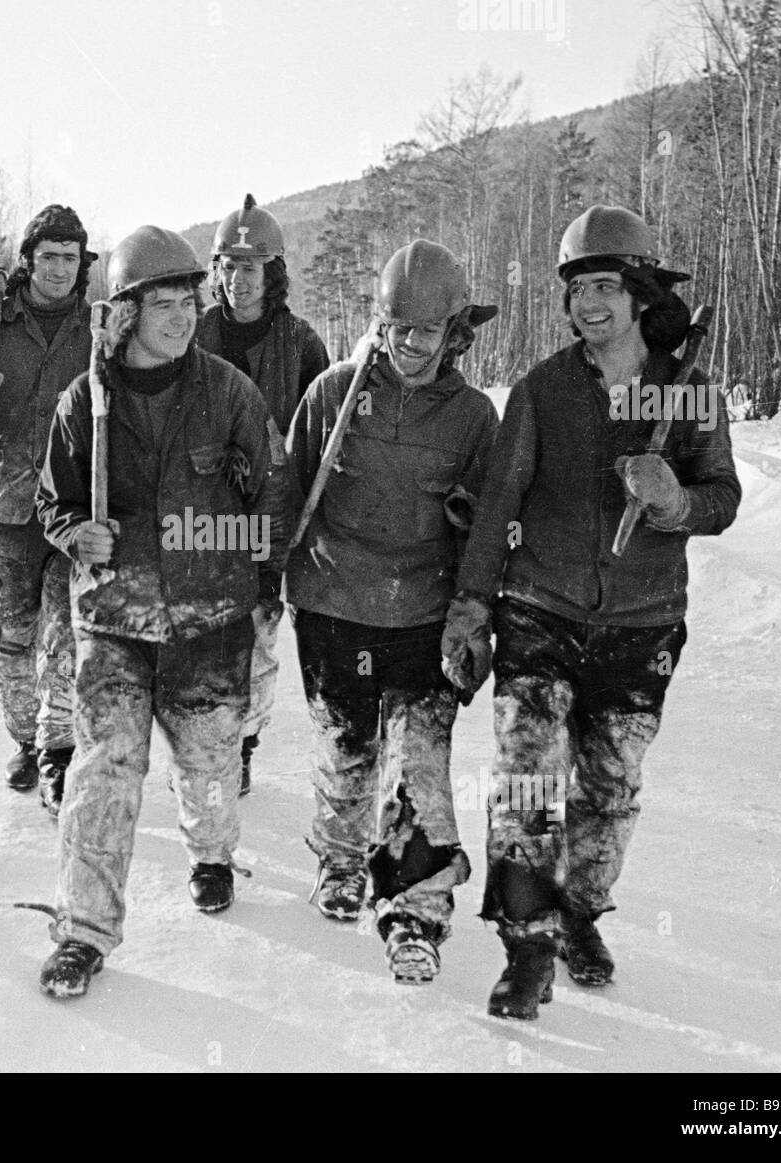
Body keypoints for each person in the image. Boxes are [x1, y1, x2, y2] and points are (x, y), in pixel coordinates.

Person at [443, 204, 741, 1019]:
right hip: (540, 611)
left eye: (606, 285)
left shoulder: (688, 391)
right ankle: (526, 946)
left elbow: (724, 496)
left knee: (609, 787)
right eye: (578, 288)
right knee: (526, 780)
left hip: (642, 623)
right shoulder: (541, 390)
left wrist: (676, 498)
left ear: (641, 293)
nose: (590, 304)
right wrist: (472, 603)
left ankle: (579, 914)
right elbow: (501, 500)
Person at [32, 226, 283, 998]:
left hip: (209, 622)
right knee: (103, 774)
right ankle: (83, 928)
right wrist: (77, 530)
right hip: (112, 622)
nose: (181, 318)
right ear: (125, 315)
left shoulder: (229, 394)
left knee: (209, 768)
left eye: (188, 302)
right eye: (164, 305)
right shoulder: (86, 401)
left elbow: (272, 497)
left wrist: (261, 572)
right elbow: (52, 499)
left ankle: (211, 854)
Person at [285, 240, 499, 983]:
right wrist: (261, 583)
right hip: (333, 603)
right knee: (346, 751)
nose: (412, 345)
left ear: (455, 333)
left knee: (418, 767)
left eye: (427, 331)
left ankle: (414, 912)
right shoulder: (333, 395)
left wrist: (474, 609)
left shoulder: (474, 418)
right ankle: (340, 858)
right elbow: (289, 494)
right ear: (380, 324)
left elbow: (492, 527)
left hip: (422, 615)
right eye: (398, 328)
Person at [0, 206, 96, 814]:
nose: (59, 270)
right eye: (49, 257)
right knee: (14, 638)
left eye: (70, 258)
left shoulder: (97, 329)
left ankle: (58, 751)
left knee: (64, 638)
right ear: (28, 261)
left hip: (72, 505)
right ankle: (24, 740)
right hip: (4, 504)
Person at [195, 194, 329, 795]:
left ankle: (242, 743)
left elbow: (323, 436)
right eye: (228, 265)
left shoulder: (302, 344)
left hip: (270, 520)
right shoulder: (189, 334)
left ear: (271, 273)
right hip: (198, 512)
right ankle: (203, 743)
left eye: (251, 267)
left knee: (255, 635)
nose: (238, 279)